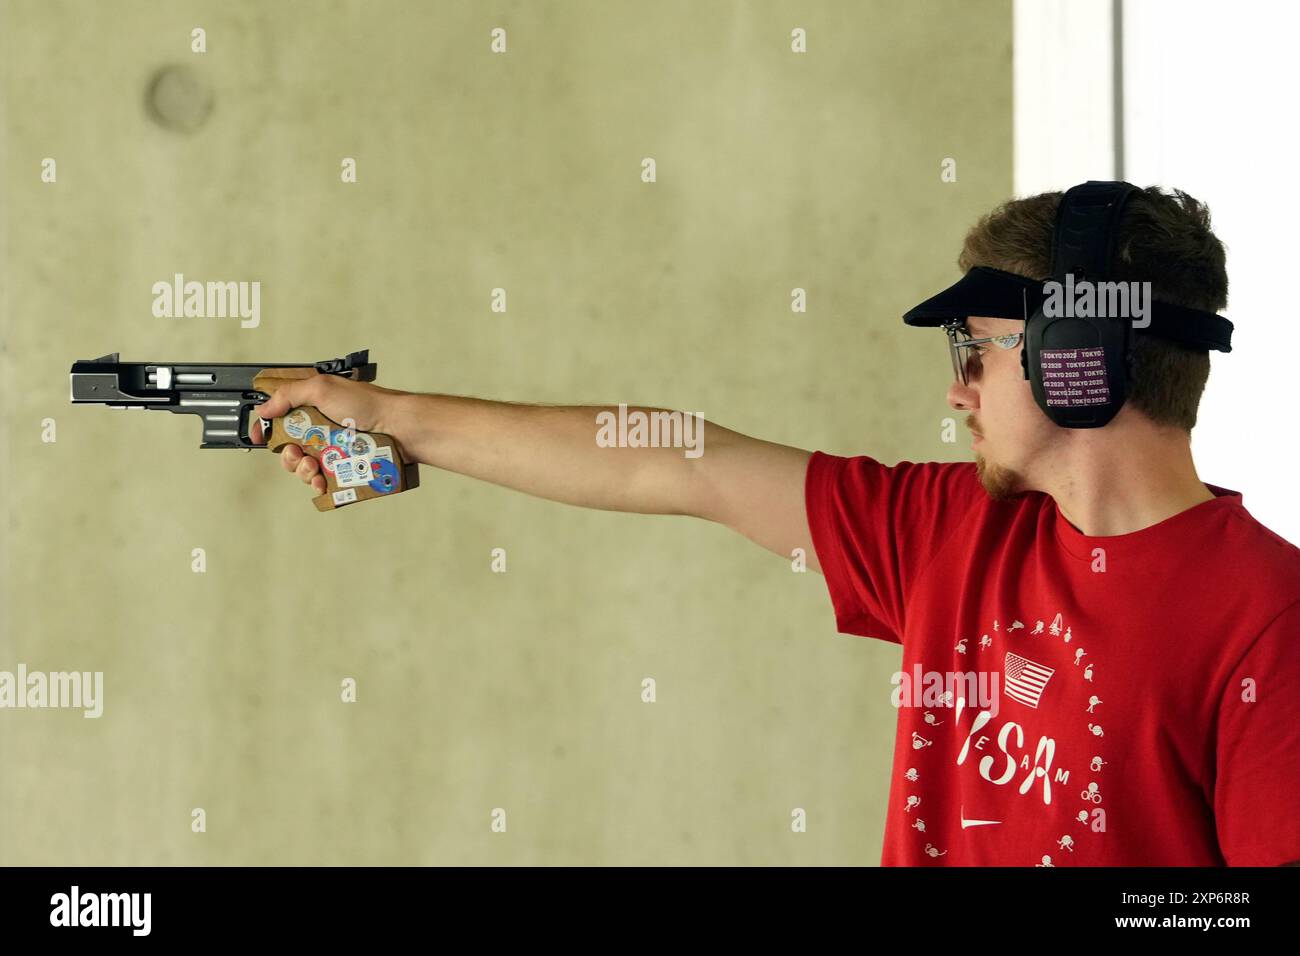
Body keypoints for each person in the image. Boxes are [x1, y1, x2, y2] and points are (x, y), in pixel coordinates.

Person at [251, 185, 1300, 866]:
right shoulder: (951, 532)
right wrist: (392, 421)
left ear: (1077, 353)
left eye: (970, 348)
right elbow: (680, 461)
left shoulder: (1267, 618)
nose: (957, 391)